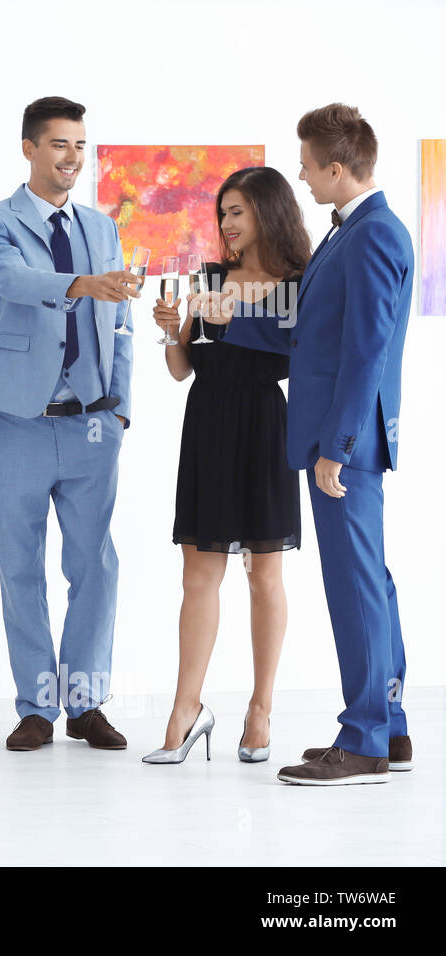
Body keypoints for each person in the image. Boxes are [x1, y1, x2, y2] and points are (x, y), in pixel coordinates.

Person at [223, 105, 414, 786]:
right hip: (342, 441)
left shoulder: (374, 235)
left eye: (306, 165)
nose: (300, 176)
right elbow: (310, 337)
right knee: (372, 582)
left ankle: (362, 740)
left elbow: (368, 350)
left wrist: (337, 445)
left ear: (337, 168)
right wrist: (223, 320)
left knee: (354, 585)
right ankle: (387, 729)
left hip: (346, 447)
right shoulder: (352, 233)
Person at [0, 96, 138, 753]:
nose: (72, 158)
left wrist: (120, 405)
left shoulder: (103, 226)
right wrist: (80, 285)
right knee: (21, 567)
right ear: (29, 148)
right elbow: (11, 281)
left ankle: (86, 704)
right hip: (16, 420)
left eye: (80, 146)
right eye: (59, 145)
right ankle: (36, 707)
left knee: (97, 565)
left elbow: (120, 325)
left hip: (94, 425)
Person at [141, 167, 308, 765]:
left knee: (264, 574)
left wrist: (232, 318)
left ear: (269, 213)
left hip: (265, 425)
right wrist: (172, 332)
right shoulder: (208, 277)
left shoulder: (297, 281)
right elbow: (182, 369)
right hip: (208, 423)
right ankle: (186, 710)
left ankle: (260, 709)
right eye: (223, 213)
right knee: (197, 576)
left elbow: (298, 354)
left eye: (238, 211)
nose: (227, 224)